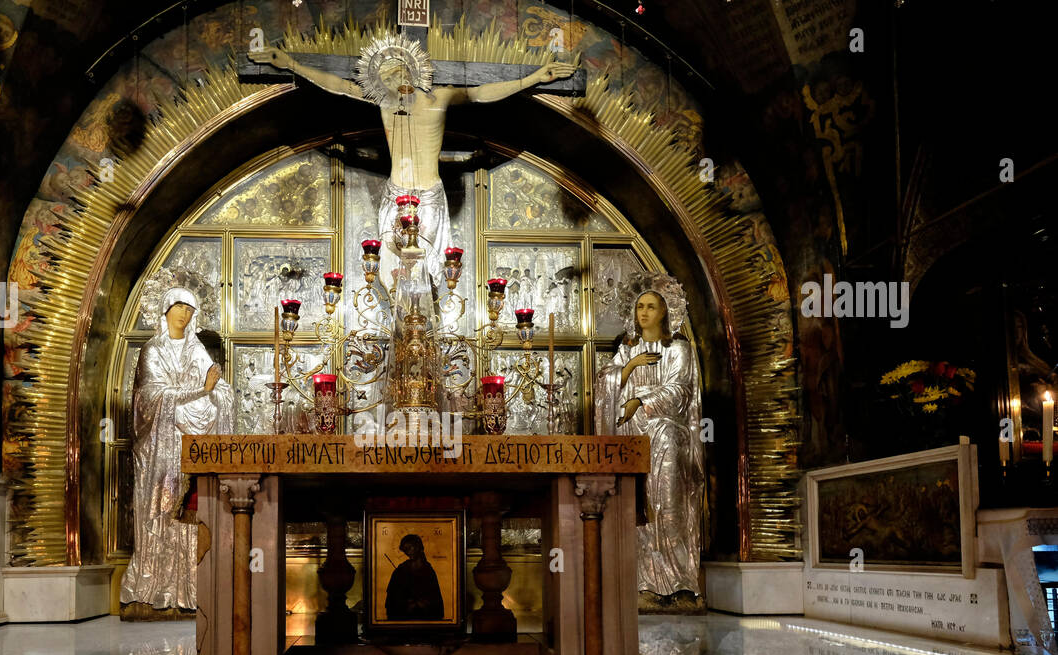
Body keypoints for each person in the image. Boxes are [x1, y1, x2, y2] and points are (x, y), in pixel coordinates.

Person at [249, 38, 577, 285]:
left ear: (411, 69)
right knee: (392, 278)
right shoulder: (383, 101)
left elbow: (482, 93)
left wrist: (532, 78)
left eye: (396, 73)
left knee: (430, 277)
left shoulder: (440, 97)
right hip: (395, 195)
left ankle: (427, 341)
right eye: (384, 75)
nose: (391, 81)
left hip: (431, 196)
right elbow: (339, 86)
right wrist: (291, 63)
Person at [120, 287, 234, 611]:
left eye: (189, 309)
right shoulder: (152, 351)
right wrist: (200, 390)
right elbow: (151, 398)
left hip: (189, 447)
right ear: (166, 310)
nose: (184, 314)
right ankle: (155, 582)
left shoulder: (196, 350)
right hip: (160, 449)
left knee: (192, 513)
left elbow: (218, 389)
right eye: (179, 306)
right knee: (162, 510)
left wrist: (216, 391)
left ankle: (191, 586)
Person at [594, 275, 703, 600]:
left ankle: (679, 580)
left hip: (666, 434)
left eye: (651, 307)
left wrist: (640, 401)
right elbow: (605, 386)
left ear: (665, 312)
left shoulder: (678, 349)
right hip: (631, 436)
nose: (644, 312)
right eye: (639, 306)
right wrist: (629, 369)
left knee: (666, 503)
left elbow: (680, 391)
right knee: (635, 505)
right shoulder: (627, 351)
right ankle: (641, 583)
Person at [384, 533, 445, 620]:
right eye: (405, 549)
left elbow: (436, 603)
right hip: (403, 621)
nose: (408, 552)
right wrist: (407, 604)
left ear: (419, 547)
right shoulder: (400, 571)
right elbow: (391, 601)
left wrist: (424, 604)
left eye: (410, 547)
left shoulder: (428, 571)